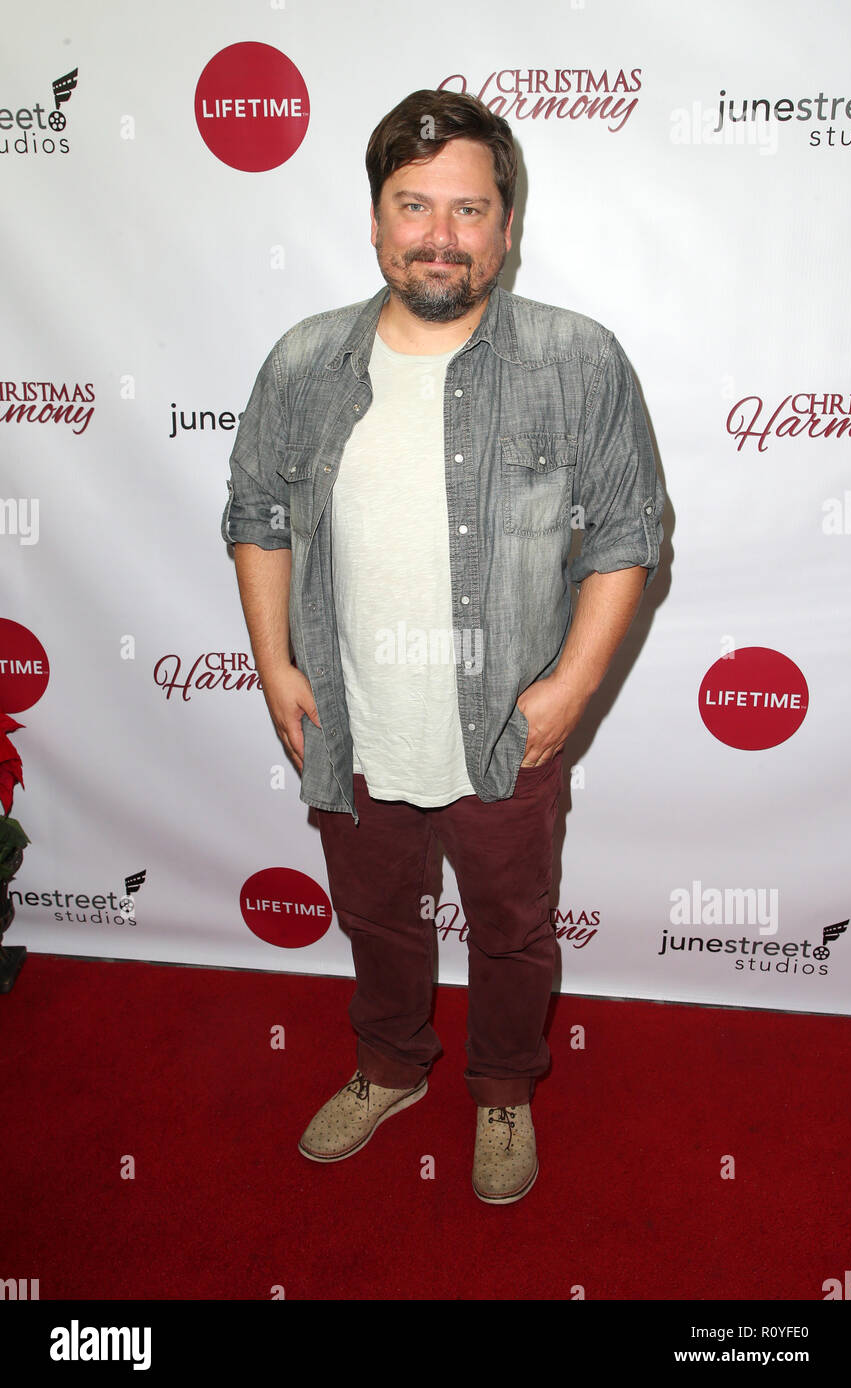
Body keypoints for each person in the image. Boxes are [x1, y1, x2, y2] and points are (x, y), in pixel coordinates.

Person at [221, 89, 664, 1205]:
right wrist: (277, 666)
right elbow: (255, 517)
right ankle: (389, 1067)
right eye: (413, 205)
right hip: (351, 719)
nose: (439, 234)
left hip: (509, 729)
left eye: (469, 210)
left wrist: (568, 690)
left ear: (506, 226)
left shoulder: (576, 359)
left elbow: (627, 531)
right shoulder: (305, 360)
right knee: (377, 919)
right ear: (375, 220)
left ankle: (505, 1088)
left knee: (512, 933)